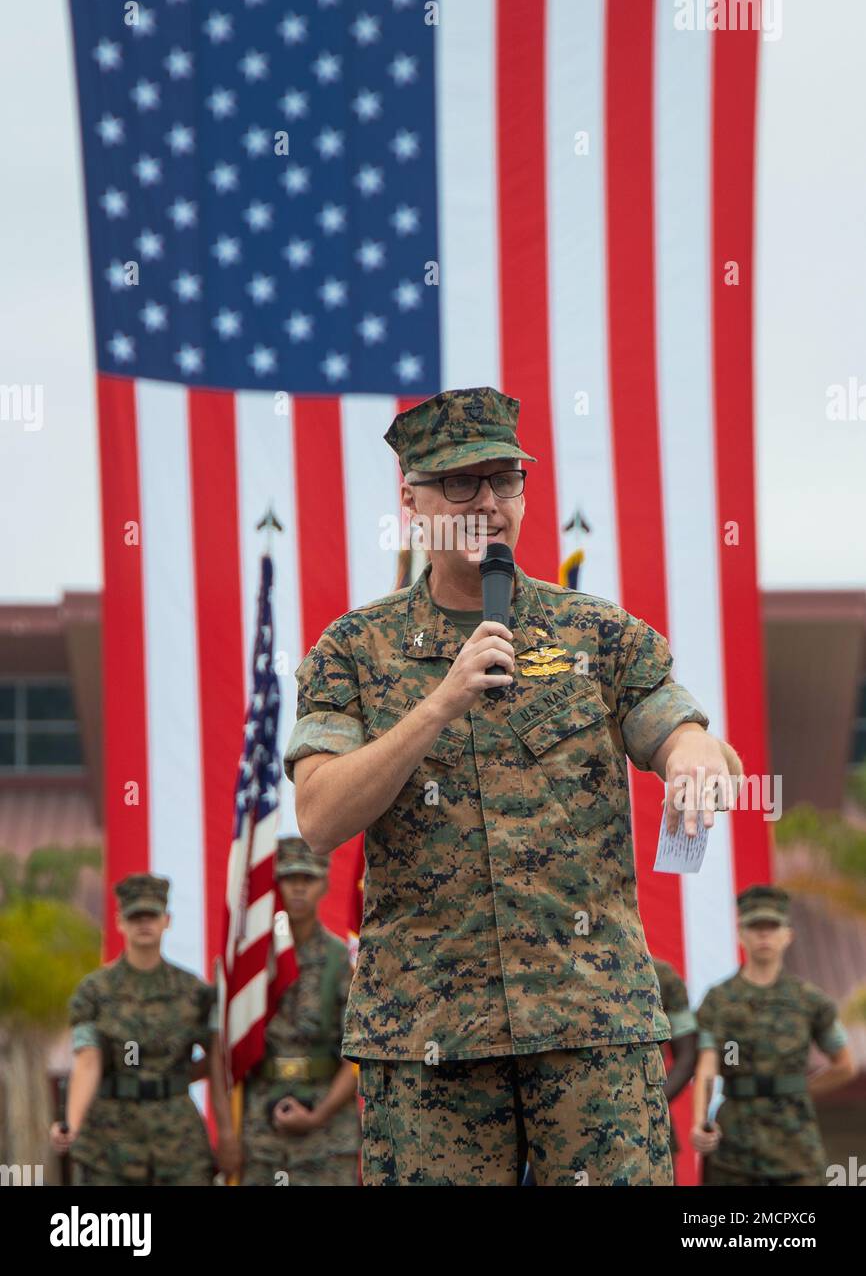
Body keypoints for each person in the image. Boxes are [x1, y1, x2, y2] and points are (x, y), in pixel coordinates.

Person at [284, 385, 735, 1187]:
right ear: (412, 501)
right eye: (461, 482)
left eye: (505, 479)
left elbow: (671, 724)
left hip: (590, 1026)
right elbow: (318, 817)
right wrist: (441, 700)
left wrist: (693, 753)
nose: (488, 502)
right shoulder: (353, 650)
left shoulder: (596, 631)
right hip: (429, 1039)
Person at [50, 873, 238, 1186]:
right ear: (120, 922)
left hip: (179, 1142)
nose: (143, 923)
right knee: (120, 1233)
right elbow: (87, 1061)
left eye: (151, 914)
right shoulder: (95, 992)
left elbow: (217, 1066)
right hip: (111, 1142)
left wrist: (228, 1135)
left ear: (167, 920)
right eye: (134, 916)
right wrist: (71, 1123)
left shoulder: (195, 993)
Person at [691, 884, 856, 1186]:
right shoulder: (719, 1000)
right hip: (735, 1145)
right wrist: (700, 1121)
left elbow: (844, 1064)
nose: (764, 935)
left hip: (794, 1142)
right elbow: (707, 1066)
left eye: (772, 926)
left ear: (788, 935)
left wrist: (800, 1090)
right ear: (741, 933)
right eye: (755, 926)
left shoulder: (810, 1000)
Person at [240, 836, 360, 1186]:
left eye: (307, 879)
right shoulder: (254, 965)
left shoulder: (340, 963)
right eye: (290, 878)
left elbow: (355, 1058)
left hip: (328, 1130)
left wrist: (317, 1115)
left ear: (324, 884)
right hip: (264, 1125)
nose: (298, 888)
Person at [652, 958, 698, 1170]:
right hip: (573, 1129)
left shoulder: (661, 974)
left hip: (649, 1131)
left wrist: (653, 1102)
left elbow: (687, 1056)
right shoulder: (561, 964)